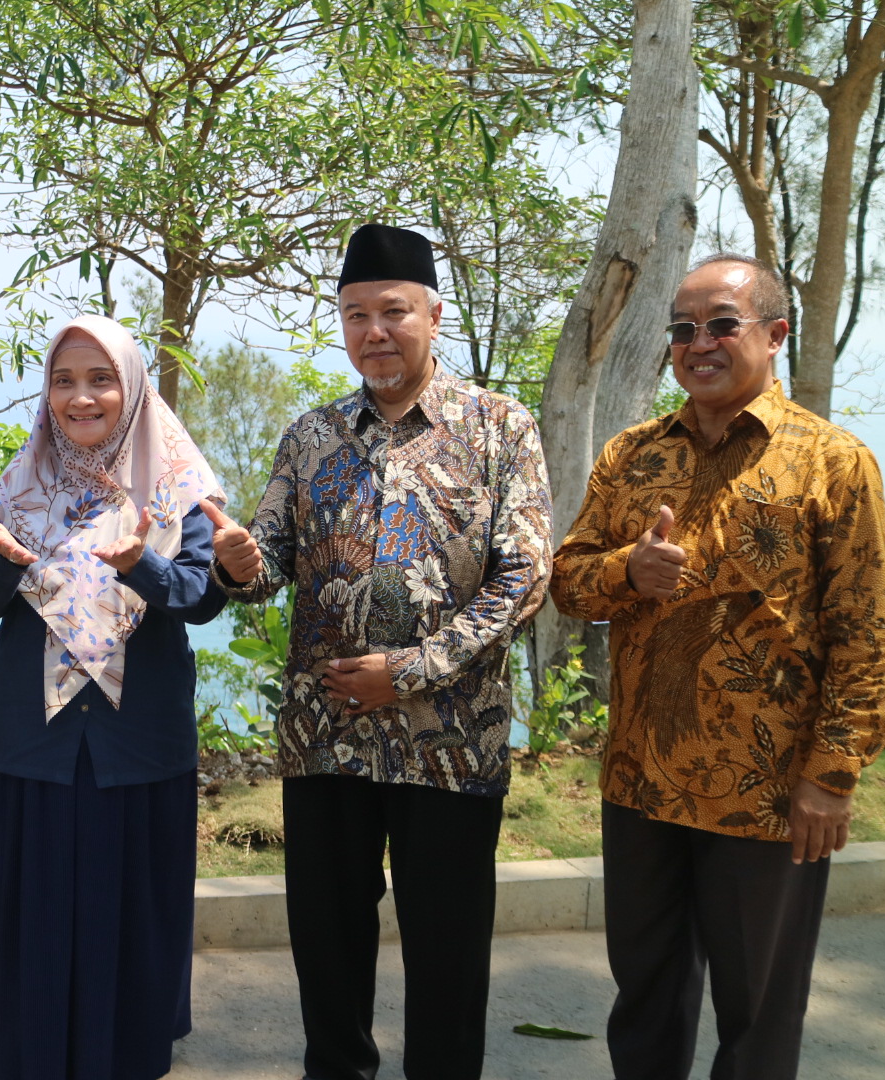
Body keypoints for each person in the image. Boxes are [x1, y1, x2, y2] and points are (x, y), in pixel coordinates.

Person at [209, 224, 553, 1080]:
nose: (375, 331)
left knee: (447, 954)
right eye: (356, 314)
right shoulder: (311, 437)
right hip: (323, 741)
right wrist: (240, 566)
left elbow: (525, 576)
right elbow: (270, 568)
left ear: (434, 314)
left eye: (394, 311)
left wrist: (408, 672)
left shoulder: (498, 429)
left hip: (450, 743)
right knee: (326, 950)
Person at [550, 253, 885, 1080]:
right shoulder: (632, 455)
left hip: (769, 795)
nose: (696, 342)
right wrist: (623, 573)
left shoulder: (833, 462)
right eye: (681, 328)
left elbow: (867, 630)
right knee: (645, 996)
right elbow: (567, 578)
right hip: (641, 781)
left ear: (776, 335)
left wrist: (833, 774)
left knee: (759, 1017)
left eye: (721, 324)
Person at [0, 314, 226, 1080]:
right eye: (64, 381)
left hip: (135, 739)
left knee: (133, 906)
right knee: (34, 907)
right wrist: (6, 566)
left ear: (132, 386)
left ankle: (129, 1055)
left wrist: (144, 564)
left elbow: (204, 597)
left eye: (100, 378)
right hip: (35, 739)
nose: (81, 398)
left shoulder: (178, 485)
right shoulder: (23, 482)